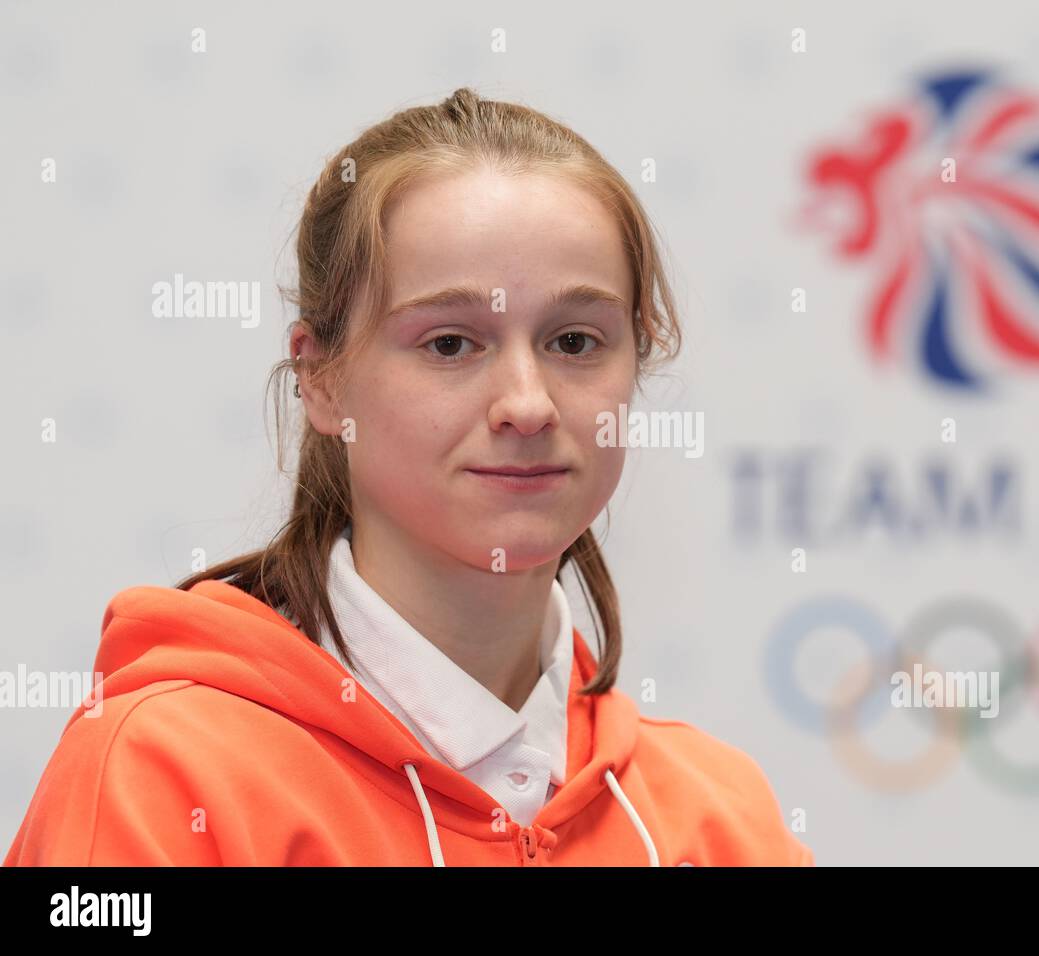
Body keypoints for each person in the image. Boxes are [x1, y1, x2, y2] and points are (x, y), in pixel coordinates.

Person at [4, 88, 814, 867]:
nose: (527, 405)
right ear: (321, 379)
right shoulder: (163, 776)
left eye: (574, 341)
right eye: (451, 344)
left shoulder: (721, 819)